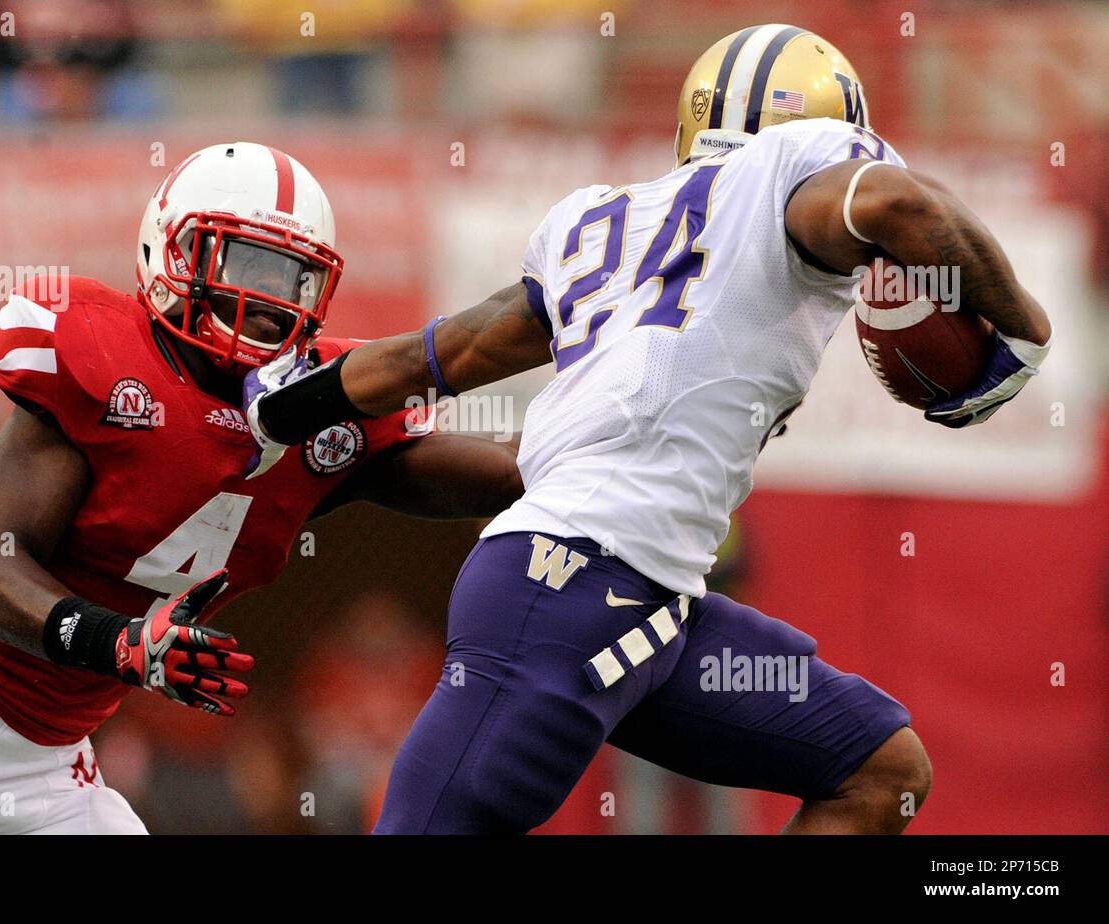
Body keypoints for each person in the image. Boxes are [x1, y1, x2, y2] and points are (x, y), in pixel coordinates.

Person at [241, 25, 1052, 834]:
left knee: (879, 768)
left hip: (644, 605)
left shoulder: (607, 225)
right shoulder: (792, 173)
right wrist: (1021, 332)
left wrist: (297, 411)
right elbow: (899, 202)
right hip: (568, 594)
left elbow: (447, 353)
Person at [0, 142, 521, 834]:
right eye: (244, 262)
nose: (266, 301)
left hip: (47, 765)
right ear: (173, 252)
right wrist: (120, 642)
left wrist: (617, 437)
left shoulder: (321, 420)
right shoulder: (103, 362)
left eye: (290, 278)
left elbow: (517, 471)